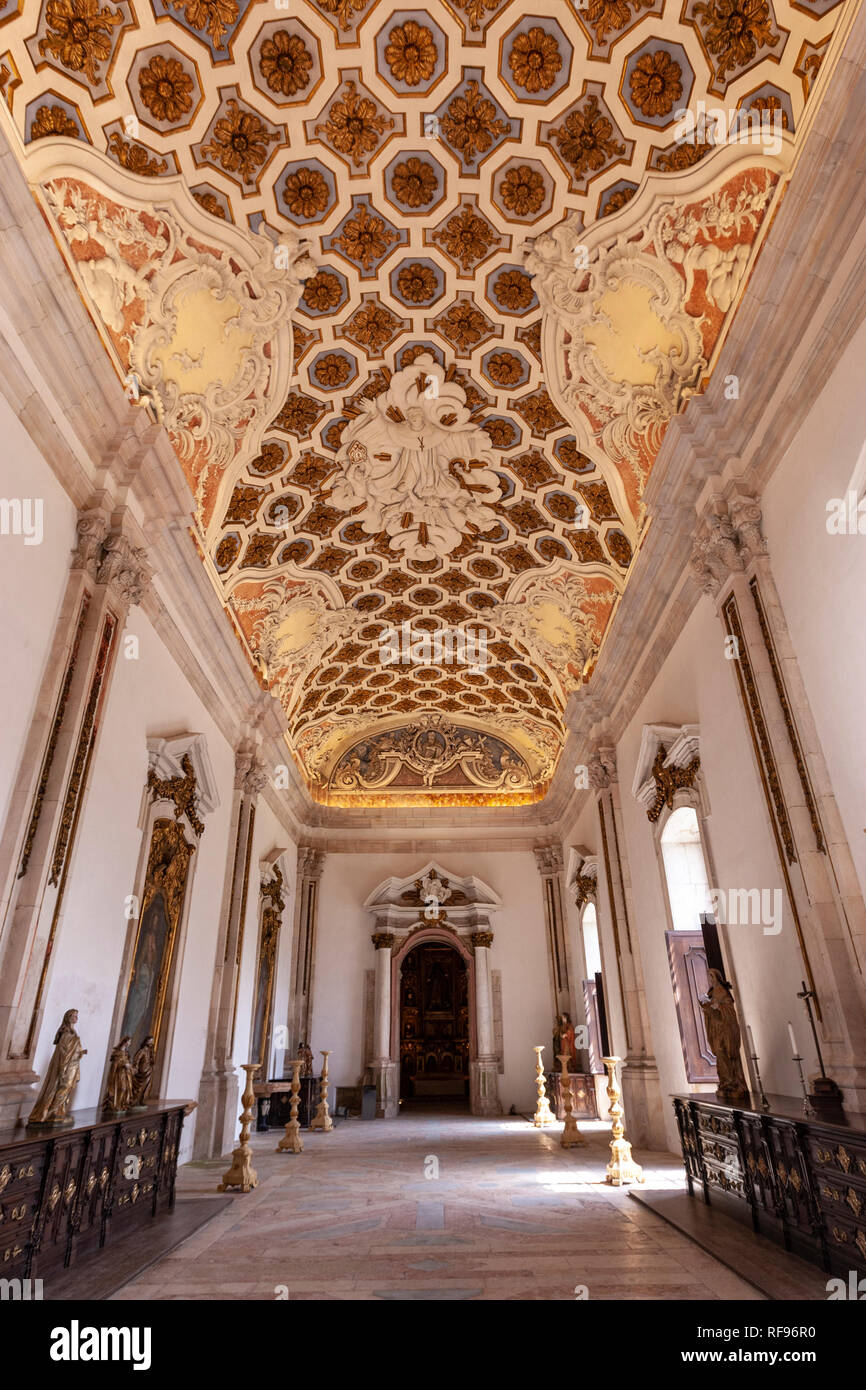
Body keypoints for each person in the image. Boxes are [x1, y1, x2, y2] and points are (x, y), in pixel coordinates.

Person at [27, 1009, 87, 1124]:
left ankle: (59, 1111)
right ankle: (52, 1112)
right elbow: (64, 1051)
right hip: (66, 1065)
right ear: (68, 1017)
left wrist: (80, 1053)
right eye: (74, 1016)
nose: (76, 1018)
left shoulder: (72, 1032)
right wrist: (74, 1055)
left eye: (76, 1016)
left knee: (67, 1088)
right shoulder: (66, 1033)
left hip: (73, 1064)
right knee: (64, 1086)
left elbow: (72, 1050)